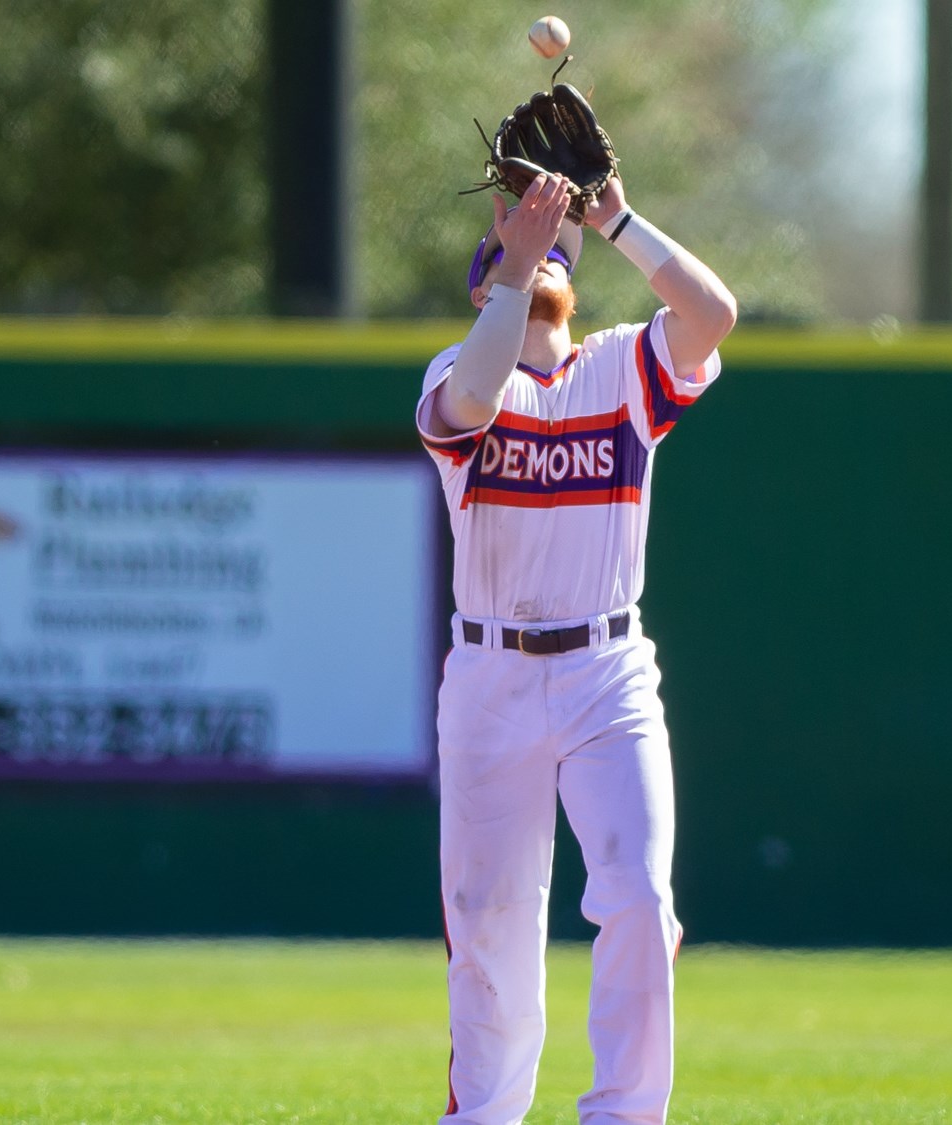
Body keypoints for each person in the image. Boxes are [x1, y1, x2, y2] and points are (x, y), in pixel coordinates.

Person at [415, 170, 738, 1125]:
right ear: (484, 291)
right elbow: (475, 391)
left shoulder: (620, 368)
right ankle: (483, 1115)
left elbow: (713, 312)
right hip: (491, 673)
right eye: (511, 262)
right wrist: (516, 266)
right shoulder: (455, 374)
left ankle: (626, 1116)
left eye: (555, 258)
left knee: (639, 896)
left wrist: (615, 218)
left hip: (606, 669)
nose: (537, 260)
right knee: (490, 924)